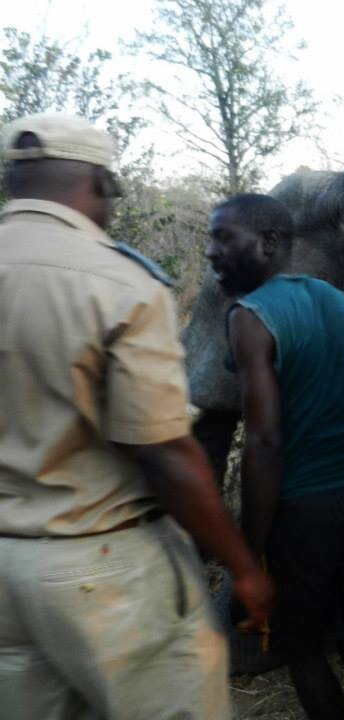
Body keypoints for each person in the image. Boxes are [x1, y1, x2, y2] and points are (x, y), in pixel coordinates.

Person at [0, 112, 272, 719]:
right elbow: (167, 455)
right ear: (99, 184)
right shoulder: (117, 282)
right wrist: (243, 566)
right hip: (102, 569)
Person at [206, 193, 344, 720]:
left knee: (304, 648)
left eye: (224, 237)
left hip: (304, 513)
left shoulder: (249, 317)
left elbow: (264, 441)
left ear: (269, 243)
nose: (211, 252)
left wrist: (250, 553)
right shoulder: (333, 299)